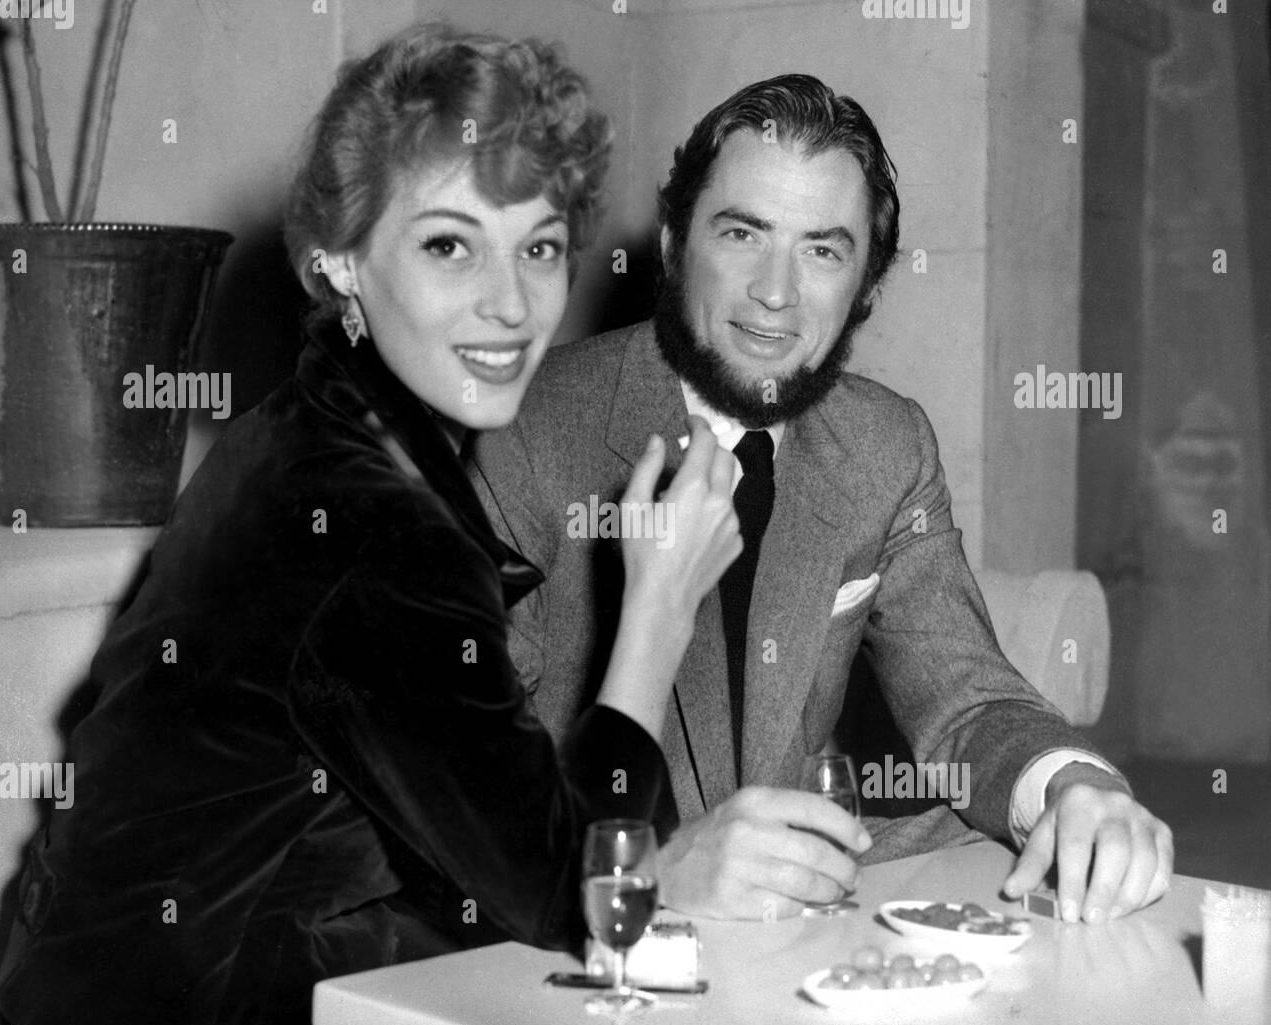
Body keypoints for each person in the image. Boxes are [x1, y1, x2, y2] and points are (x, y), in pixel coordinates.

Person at [0, 24, 740, 1025]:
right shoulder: (366, 523)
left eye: (540, 247)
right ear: (339, 261)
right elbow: (576, 898)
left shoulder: (317, 430)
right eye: (448, 245)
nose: (513, 304)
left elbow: (437, 828)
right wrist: (657, 607)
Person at [472, 74, 1173, 924]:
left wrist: (1075, 787)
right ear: (671, 241)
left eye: (822, 250)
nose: (776, 291)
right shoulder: (518, 432)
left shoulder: (886, 446)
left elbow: (967, 699)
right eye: (742, 233)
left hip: (803, 928)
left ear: (865, 286)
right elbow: (450, 792)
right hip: (583, 937)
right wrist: (654, 869)